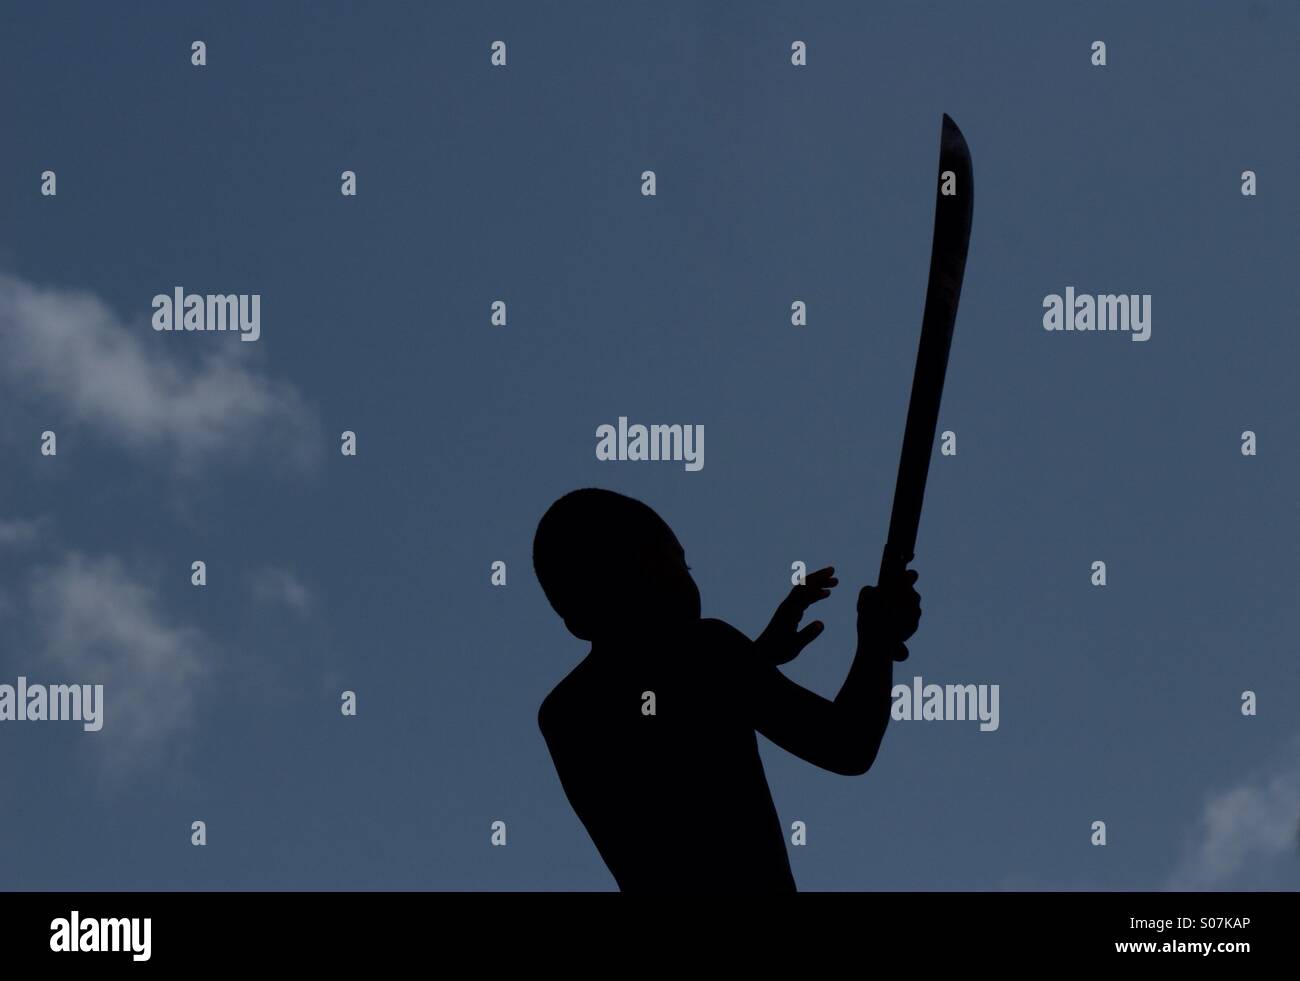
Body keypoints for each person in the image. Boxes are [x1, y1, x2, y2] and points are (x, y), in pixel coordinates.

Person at [533, 487, 921, 892]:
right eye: (675, 564)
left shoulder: (564, 715)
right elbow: (847, 744)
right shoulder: (708, 651)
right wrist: (877, 639)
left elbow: (673, 720)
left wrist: (755, 659)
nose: (687, 580)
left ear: (575, 620)